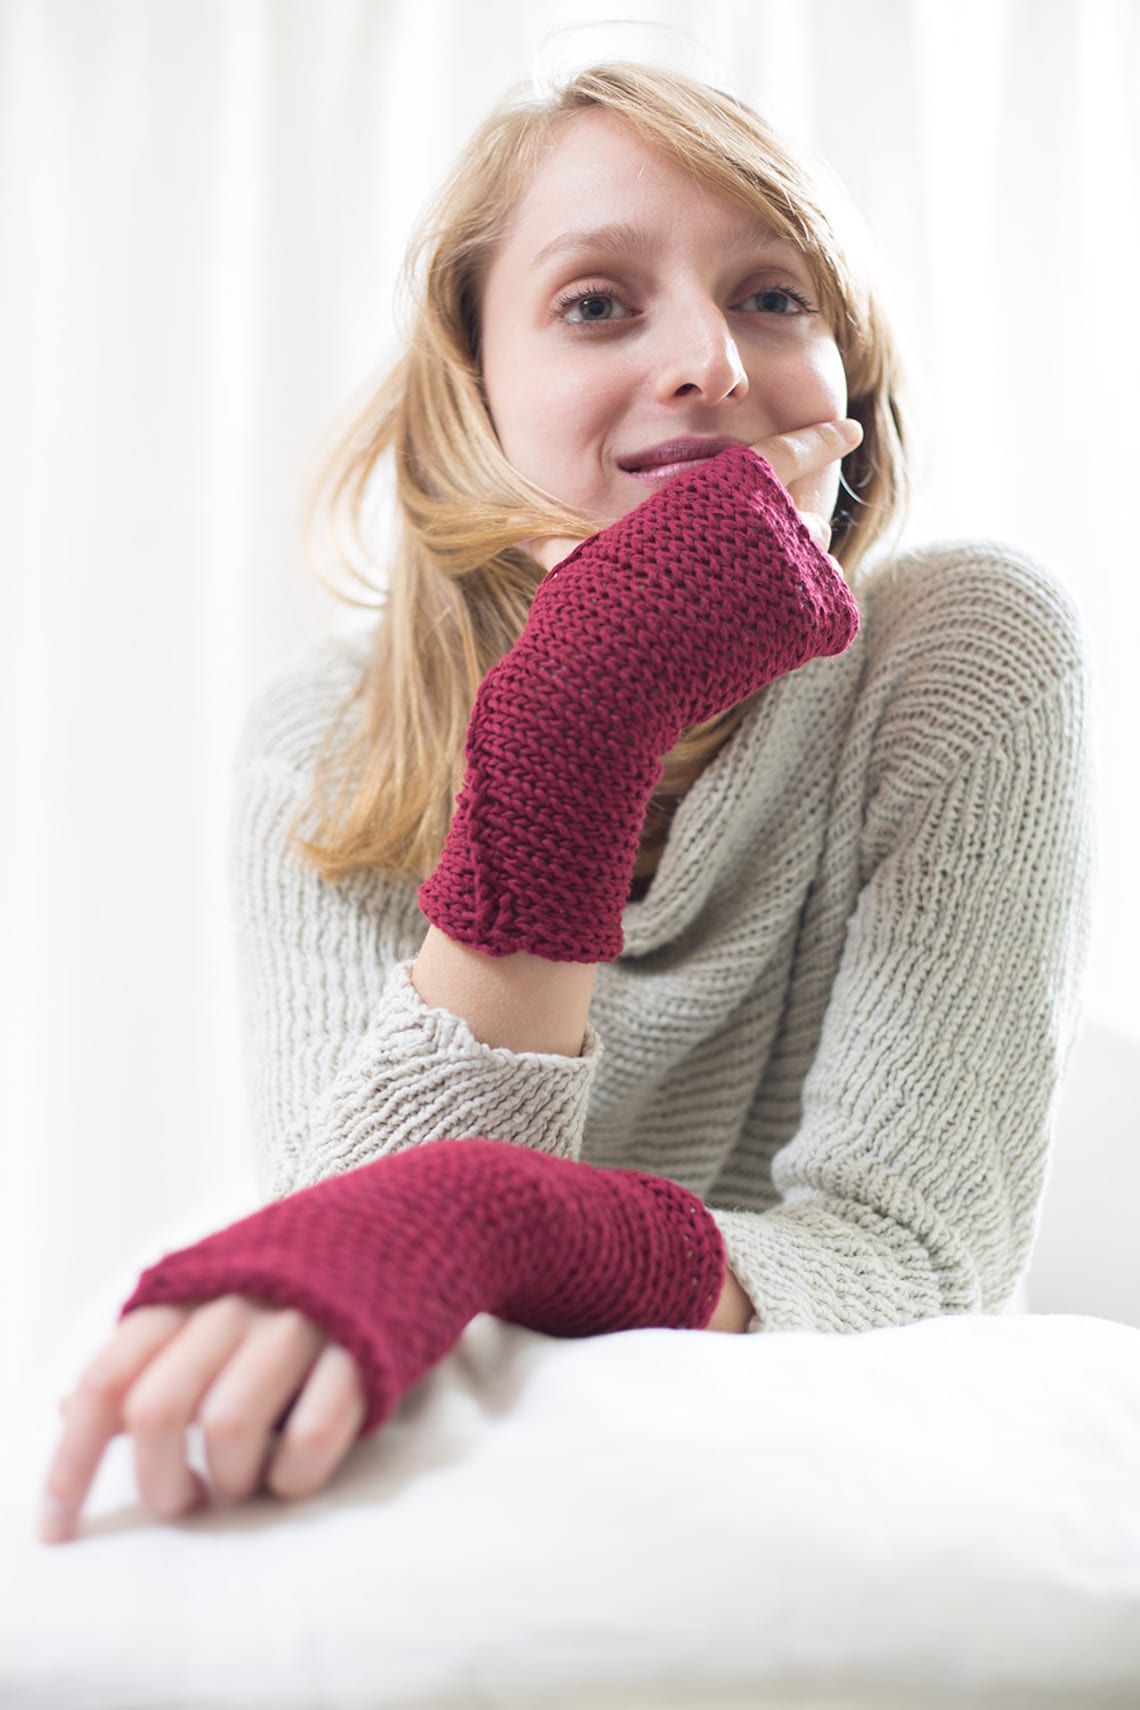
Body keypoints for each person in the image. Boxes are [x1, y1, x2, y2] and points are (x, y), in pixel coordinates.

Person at [39, 62, 1092, 1546]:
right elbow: (357, 1259)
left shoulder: (963, 648)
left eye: (776, 296)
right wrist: (574, 726)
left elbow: (920, 1269)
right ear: (474, 388)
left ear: (852, 383)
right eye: (599, 302)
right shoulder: (324, 742)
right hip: (477, 1514)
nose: (712, 360)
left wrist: (512, 1218)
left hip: (833, 1502)